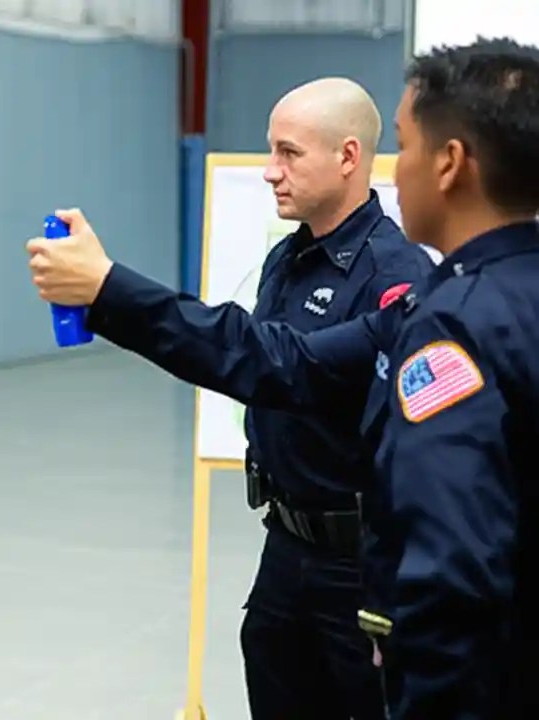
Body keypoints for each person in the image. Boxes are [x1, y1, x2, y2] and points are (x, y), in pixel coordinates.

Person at [26, 36, 539, 719]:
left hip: (361, 574)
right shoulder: (309, 264)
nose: (399, 167)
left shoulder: (426, 302)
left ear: (449, 164)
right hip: (289, 545)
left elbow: (284, 365)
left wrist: (109, 291)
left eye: (406, 146)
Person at [226, 77, 434, 720]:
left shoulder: (396, 279)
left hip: (358, 564)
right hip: (285, 543)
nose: (270, 172)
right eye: (271, 152)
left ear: (348, 157)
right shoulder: (285, 260)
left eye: (289, 154)